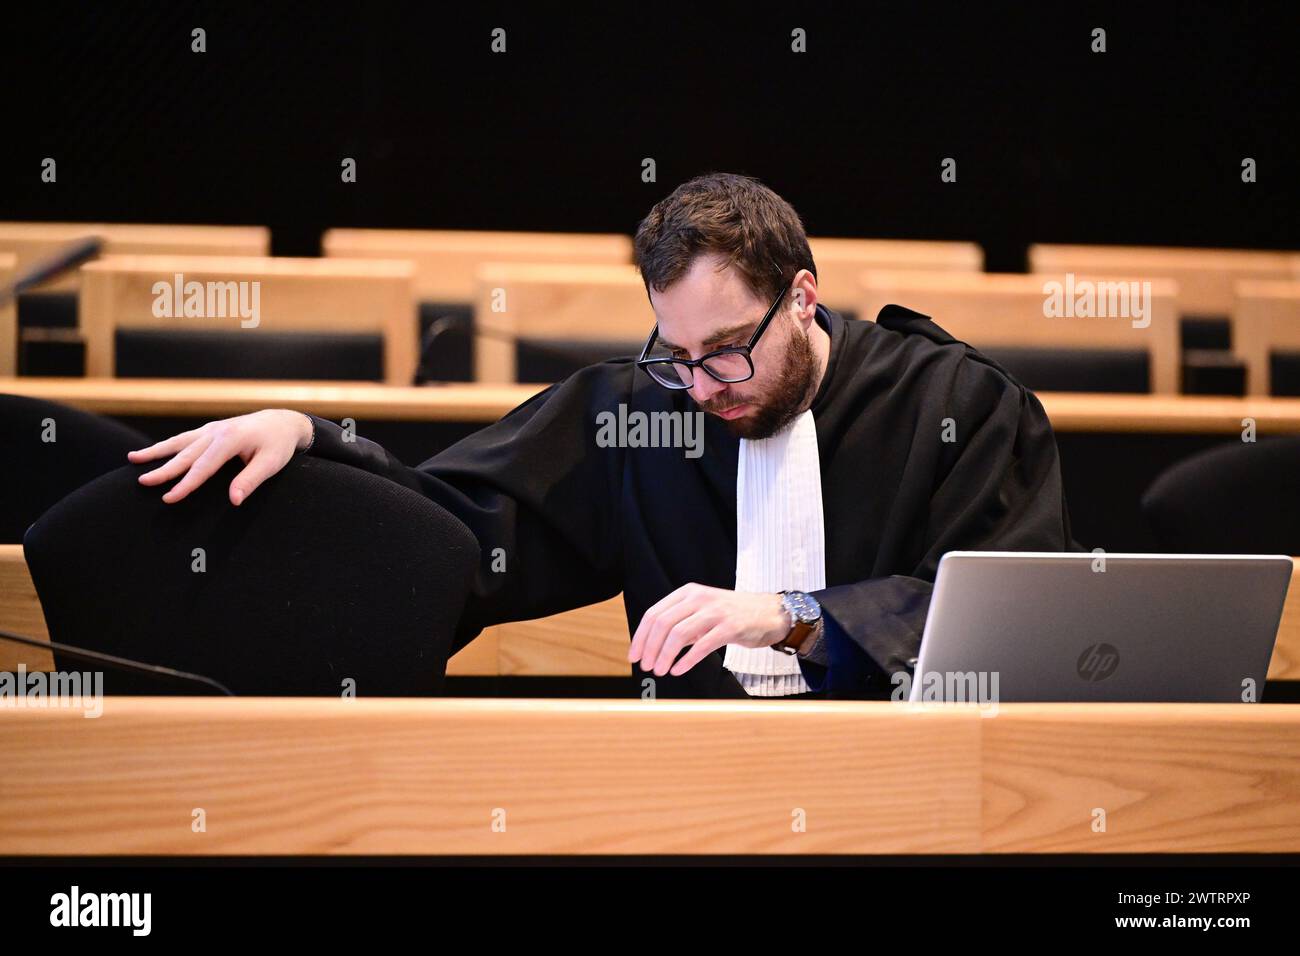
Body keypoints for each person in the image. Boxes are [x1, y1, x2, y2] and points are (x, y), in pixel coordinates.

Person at [128, 173, 1077, 699]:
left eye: (729, 353)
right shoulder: (643, 410)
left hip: (911, 803)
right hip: (682, 803)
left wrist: (791, 616)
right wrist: (307, 436)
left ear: (803, 297)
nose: (704, 388)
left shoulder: (958, 405)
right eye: (679, 353)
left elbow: (1005, 615)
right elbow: (455, 524)